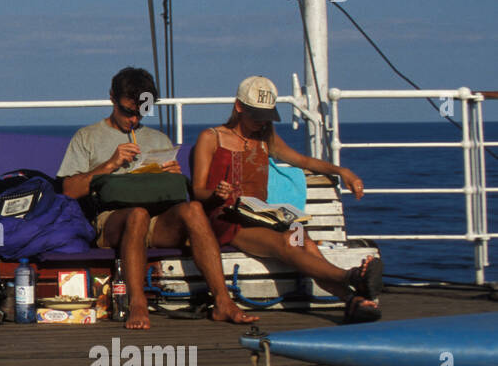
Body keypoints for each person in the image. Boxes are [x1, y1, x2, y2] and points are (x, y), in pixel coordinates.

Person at [58, 67, 257, 330]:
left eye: (140, 113)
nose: (133, 120)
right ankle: (137, 303)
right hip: (112, 221)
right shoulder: (87, 137)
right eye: (128, 111)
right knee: (137, 214)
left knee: (193, 209)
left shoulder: (157, 138)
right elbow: (69, 190)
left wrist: (172, 175)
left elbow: (177, 197)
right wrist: (110, 164)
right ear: (112, 99)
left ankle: (223, 301)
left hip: (157, 220)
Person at [191, 76, 383, 323]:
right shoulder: (212, 137)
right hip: (226, 219)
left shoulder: (265, 137)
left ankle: (352, 300)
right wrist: (217, 193)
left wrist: (341, 171)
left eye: (265, 117)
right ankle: (351, 277)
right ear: (239, 107)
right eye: (256, 116)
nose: (261, 122)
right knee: (288, 241)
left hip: (260, 215)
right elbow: (197, 190)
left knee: (306, 242)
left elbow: (302, 161)